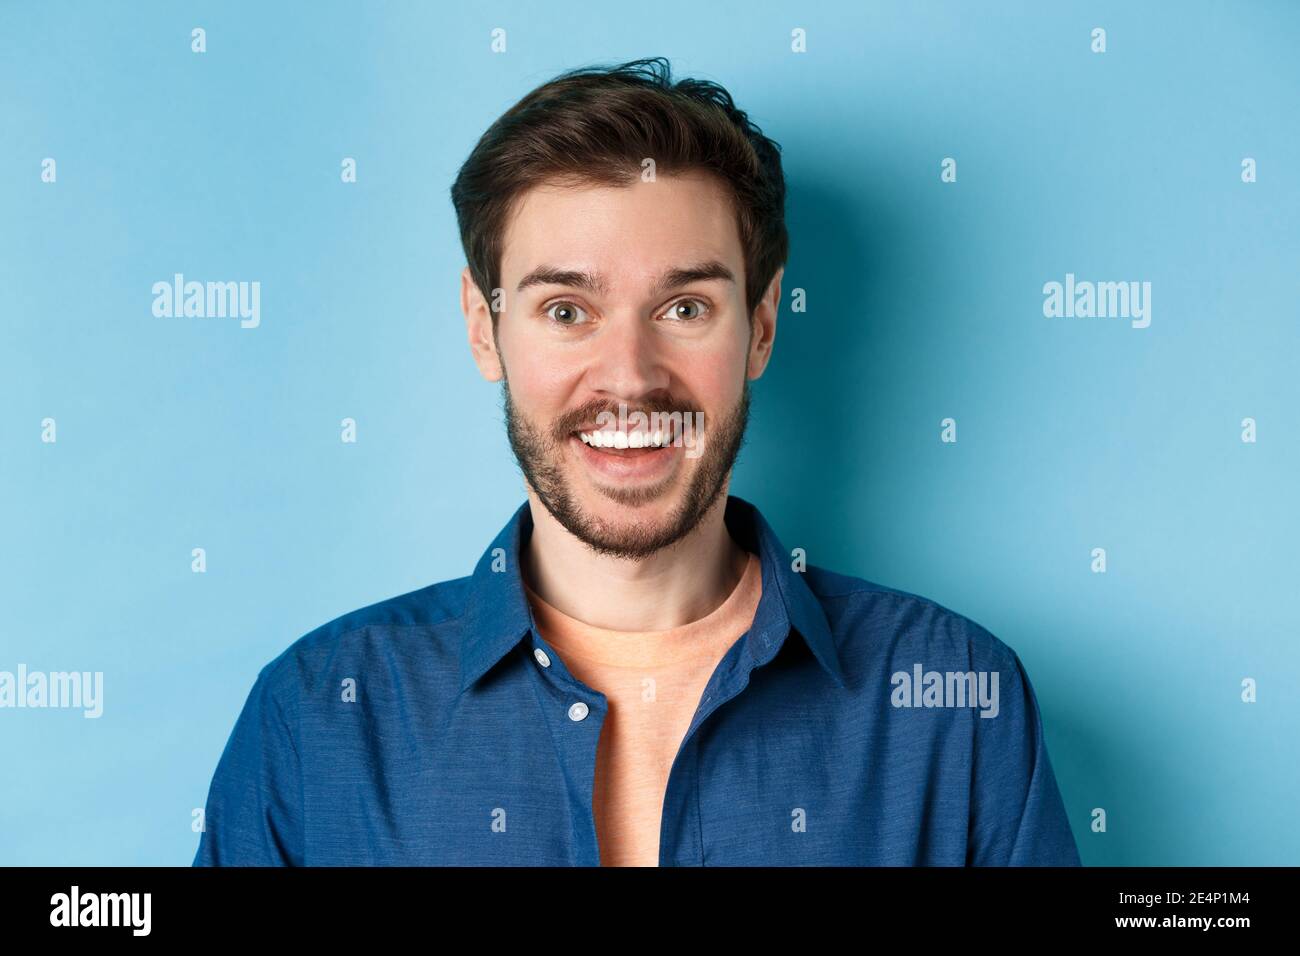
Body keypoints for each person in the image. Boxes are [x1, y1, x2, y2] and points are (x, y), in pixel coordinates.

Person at [193, 57, 1080, 867]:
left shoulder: (957, 705)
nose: (629, 378)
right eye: (567, 312)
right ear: (482, 325)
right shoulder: (316, 717)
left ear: (761, 327)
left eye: (686, 307)